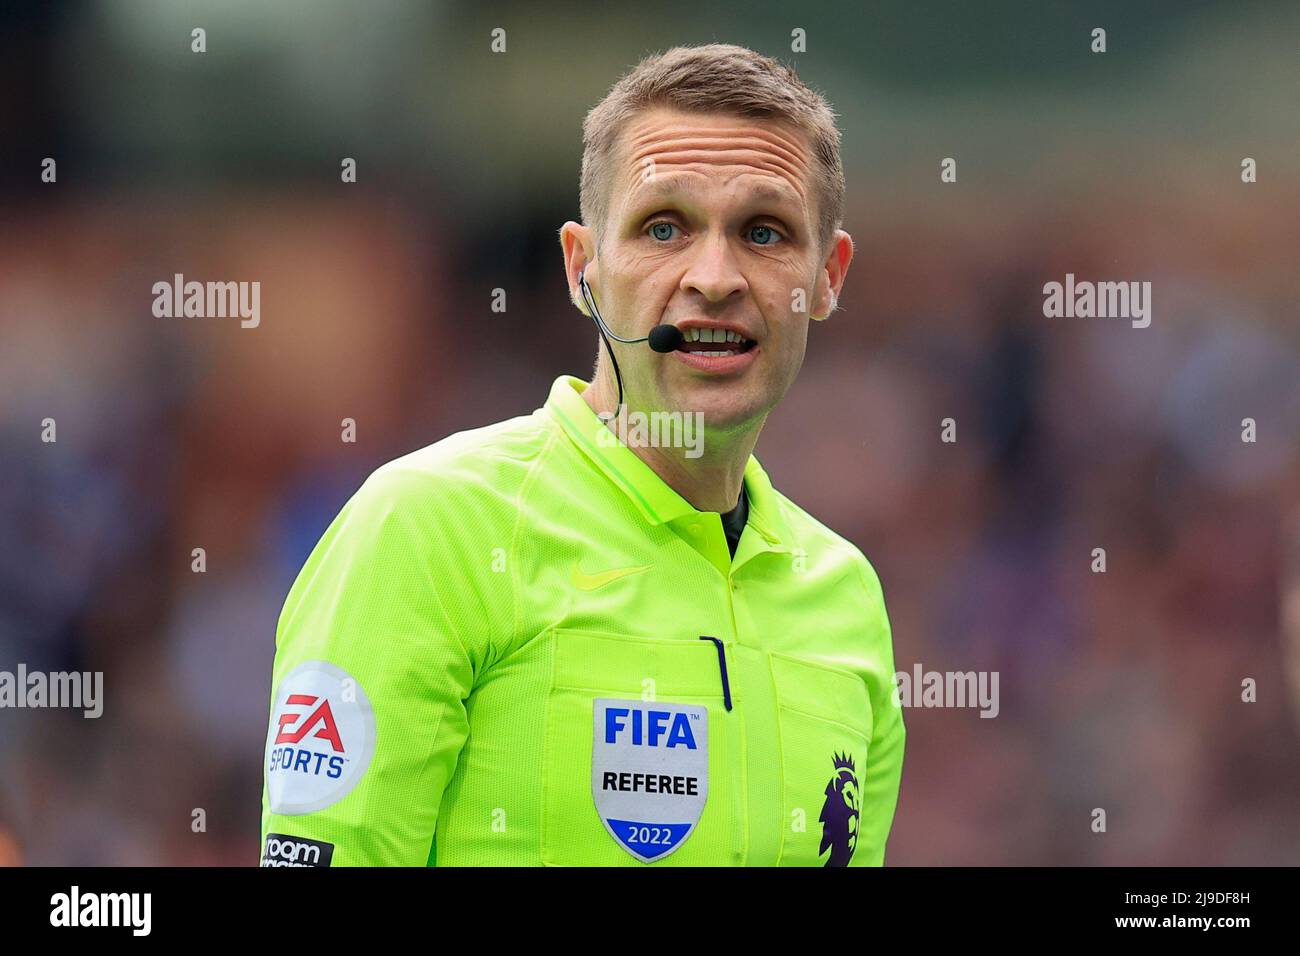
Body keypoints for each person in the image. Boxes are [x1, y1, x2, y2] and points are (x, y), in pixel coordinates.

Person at [260, 42, 904, 867]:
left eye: (765, 232)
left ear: (827, 276)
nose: (714, 276)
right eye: (663, 226)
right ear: (583, 267)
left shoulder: (847, 597)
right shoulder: (425, 530)